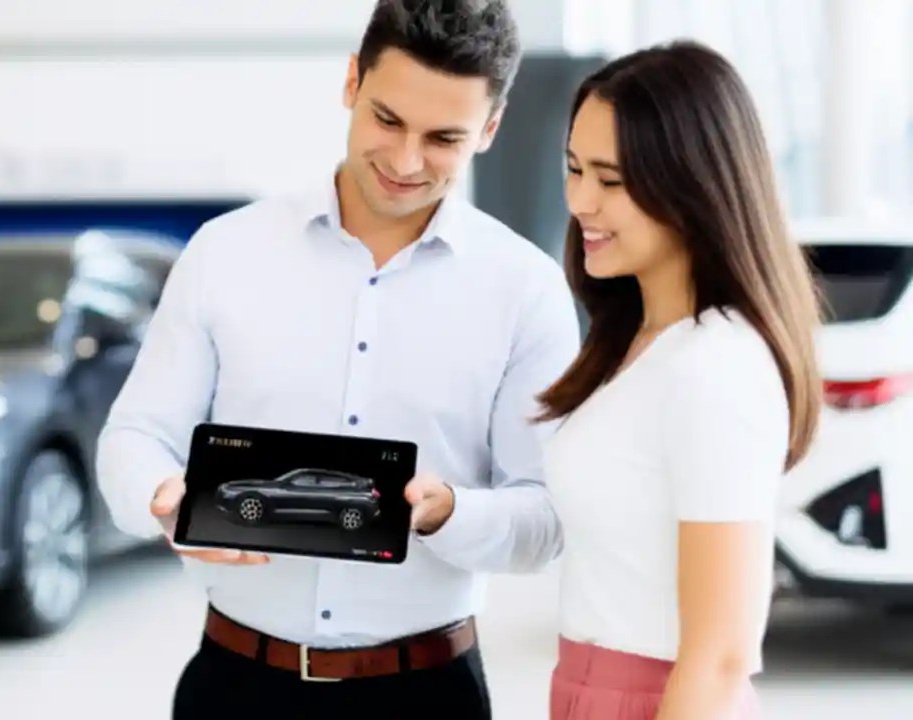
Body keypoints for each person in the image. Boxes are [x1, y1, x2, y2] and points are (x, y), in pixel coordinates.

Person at [95, 1, 580, 718]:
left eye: (443, 137)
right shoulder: (226, 253)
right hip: (234, 685)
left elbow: (546, 522)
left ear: (490, 128)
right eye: (388, 120)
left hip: (426, 693)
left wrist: (450, 513)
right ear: (352, 82)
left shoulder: (525, 290)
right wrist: (162, 496)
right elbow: (133, 437)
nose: (406, 162)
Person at [537, 40, 823, 719]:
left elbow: (721, 656)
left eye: (610, 181)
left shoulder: (715, 363)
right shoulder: (634, 345)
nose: (580, 200)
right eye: (574, 169)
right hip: (586, 689)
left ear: (690, 184)